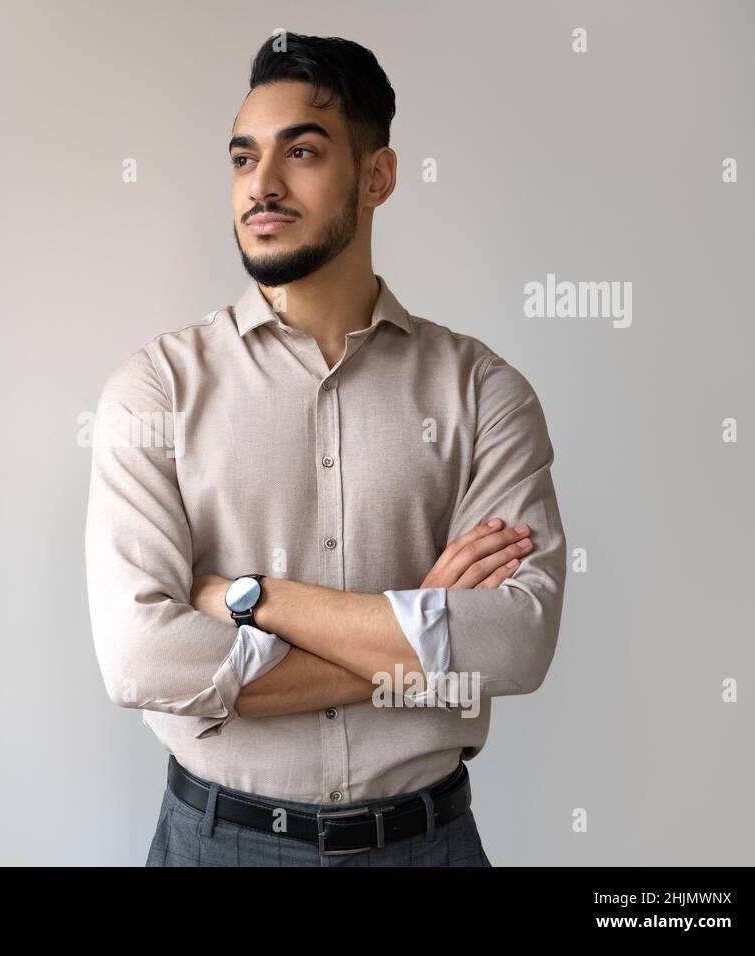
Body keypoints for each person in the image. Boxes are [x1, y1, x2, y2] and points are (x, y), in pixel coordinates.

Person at [84, 32, 567, 867]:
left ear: (376, 176)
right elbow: (141, 658)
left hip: (427, 846)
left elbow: (518, 640)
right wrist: (417, 628)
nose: (261, 187)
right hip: (220, 846)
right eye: (244, 159)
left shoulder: (483, 392)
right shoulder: (155, 390)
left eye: (300, 152)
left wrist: (252, 599)